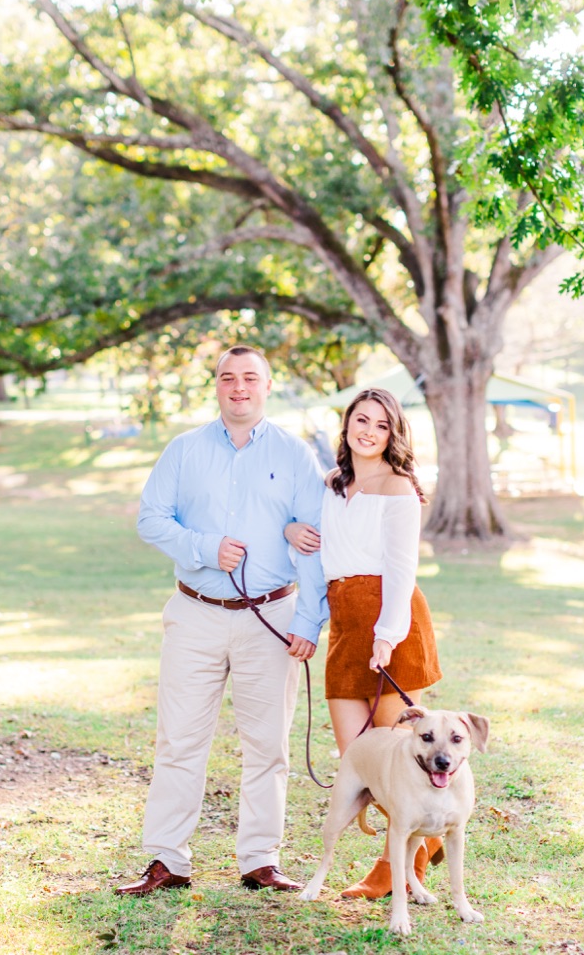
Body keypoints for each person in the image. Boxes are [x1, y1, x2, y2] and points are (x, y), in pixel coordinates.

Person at [116, 345, 327, 897]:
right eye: (228, 377)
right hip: (195, 615)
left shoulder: (295, 453)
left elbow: (314, 538)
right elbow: (150, 519)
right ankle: (168, 860)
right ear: (216, 385)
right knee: (179, 741)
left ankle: (260, 860)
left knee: (268, 746)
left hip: (271, 616)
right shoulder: (184, 450)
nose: (239, 387)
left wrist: (310, 620)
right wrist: (205, 548)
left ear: (267, 385)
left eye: (250, 378)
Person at [285, 387, 444, 901]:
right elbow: (317, 549)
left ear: (393, 433)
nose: (369, 431)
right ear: (347, 424)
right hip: (344, 623)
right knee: (358, 758)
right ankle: (425, 840)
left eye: (381, 424)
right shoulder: (332, 484)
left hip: (390, 622)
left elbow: (400, 569)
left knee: (400, 757)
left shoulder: (399, 488)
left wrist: (387, 635)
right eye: (361, 419)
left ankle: (393, 866)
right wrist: (292, 530)